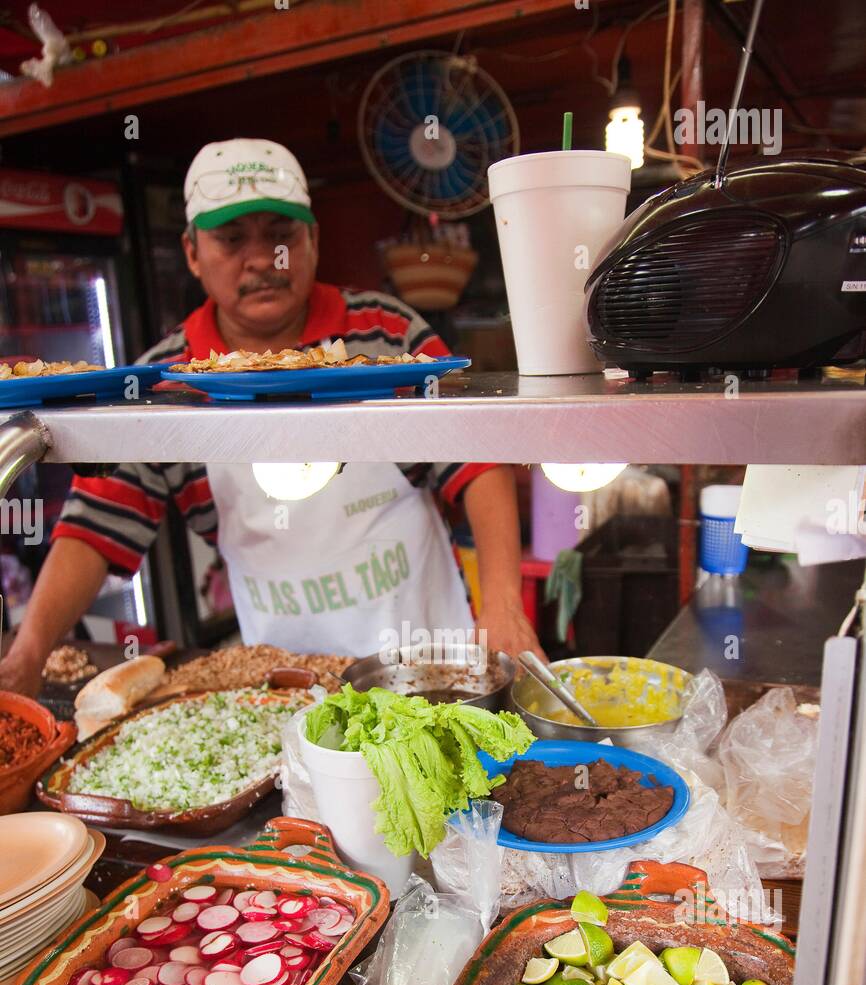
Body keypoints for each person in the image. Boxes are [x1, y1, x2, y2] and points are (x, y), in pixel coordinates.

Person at [0, 139, 542, 696]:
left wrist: (503, 608)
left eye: (280, 236)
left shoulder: (385, 334)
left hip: (435, 671)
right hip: (291, 691)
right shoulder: (164, 380)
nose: (261, 260)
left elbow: (476, 463)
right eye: (232, 240)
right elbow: (94, 527)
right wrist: (27, 655)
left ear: (313, 239)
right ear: (191, 252)